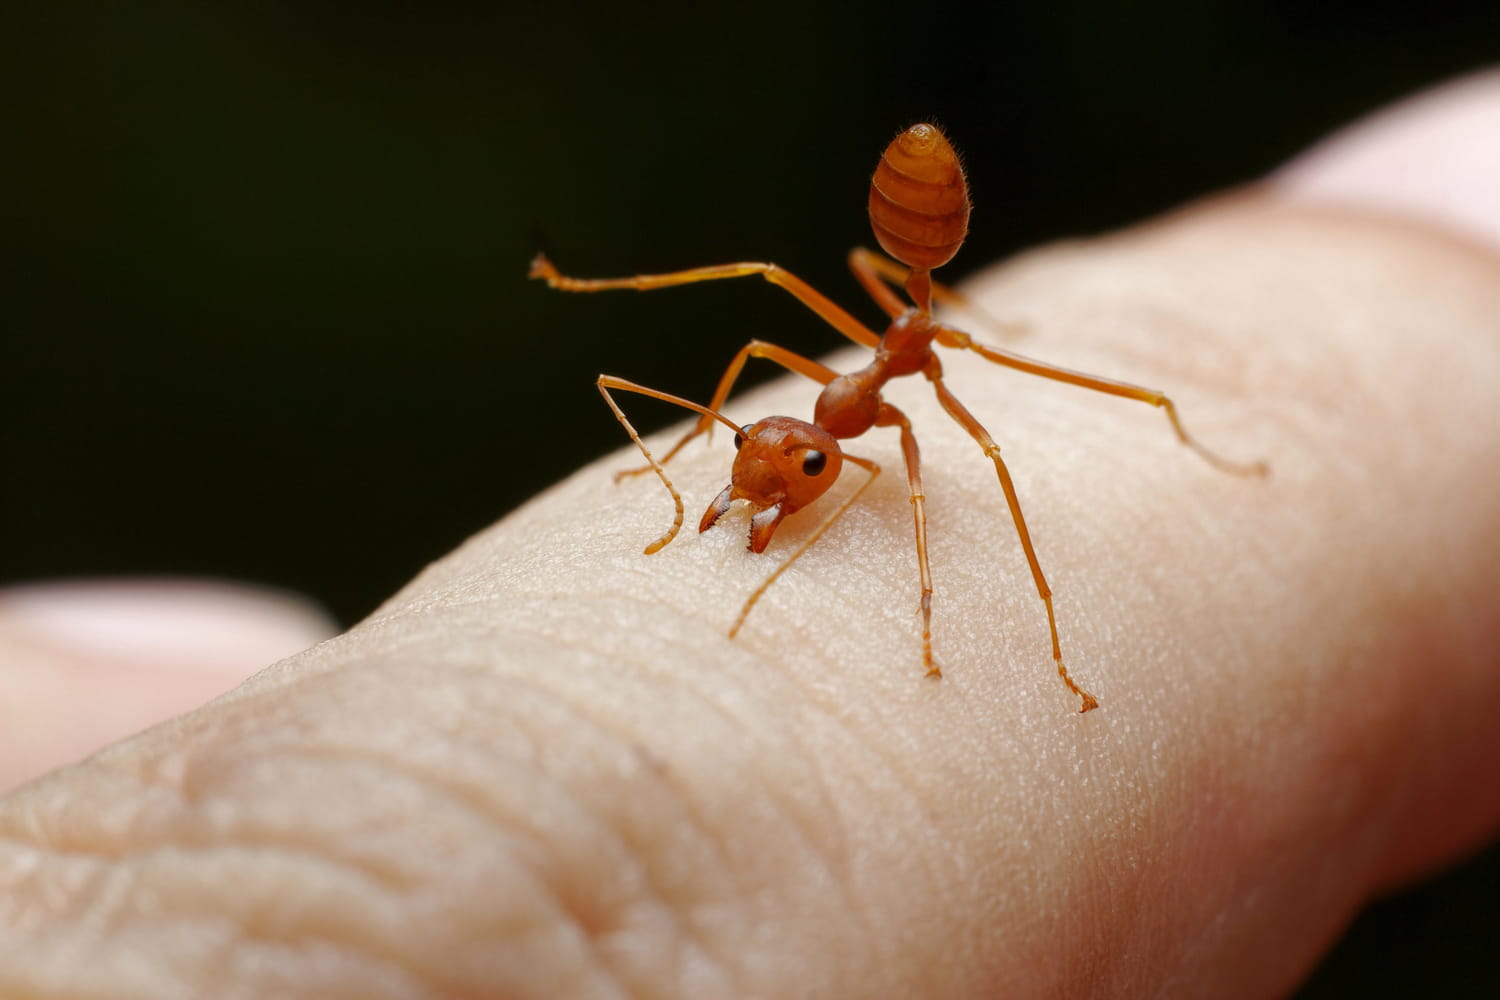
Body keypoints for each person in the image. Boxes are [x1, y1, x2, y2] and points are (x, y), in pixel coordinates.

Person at [2, 72, 1498, 998]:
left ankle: (1180, 439)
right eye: (773, 465)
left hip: (922, 326)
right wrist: (723, 456)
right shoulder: (816, 410)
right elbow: (754, 410)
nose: (768, 480)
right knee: (806, 308)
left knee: (968, 423)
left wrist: (979, 628)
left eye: (776, 464)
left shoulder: (904, 418)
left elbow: (909, 447)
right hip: (897, 315)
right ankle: (612, 305)